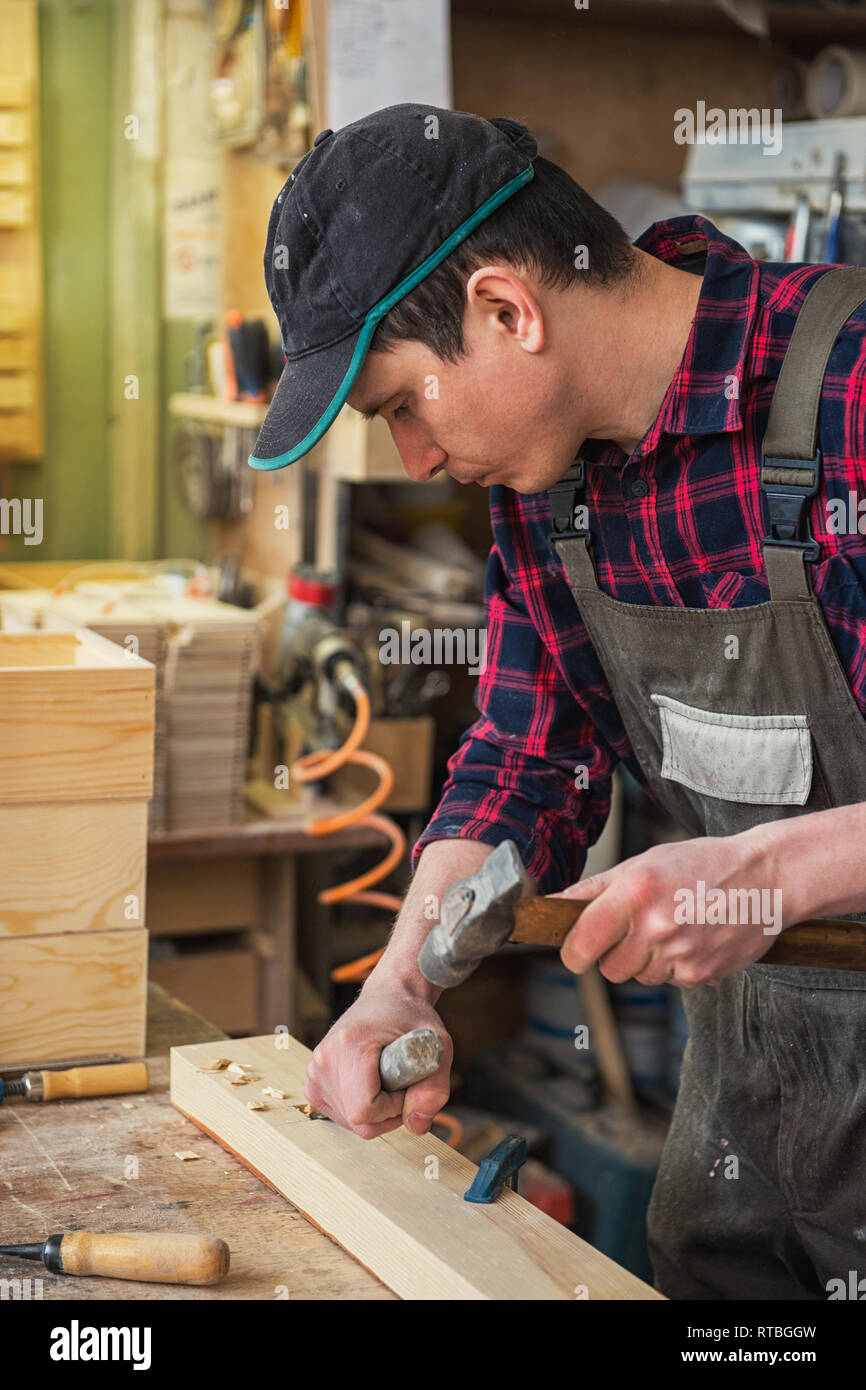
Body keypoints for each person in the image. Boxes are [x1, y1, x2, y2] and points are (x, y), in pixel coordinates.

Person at [248, 103, 866, 1299]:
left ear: (505, 311)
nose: (415, 459)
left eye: (399, 408)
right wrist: (401, 980)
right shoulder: (548, 484)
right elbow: (526, 752)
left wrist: (766, 878)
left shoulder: (848, 396)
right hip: (753, 1120)